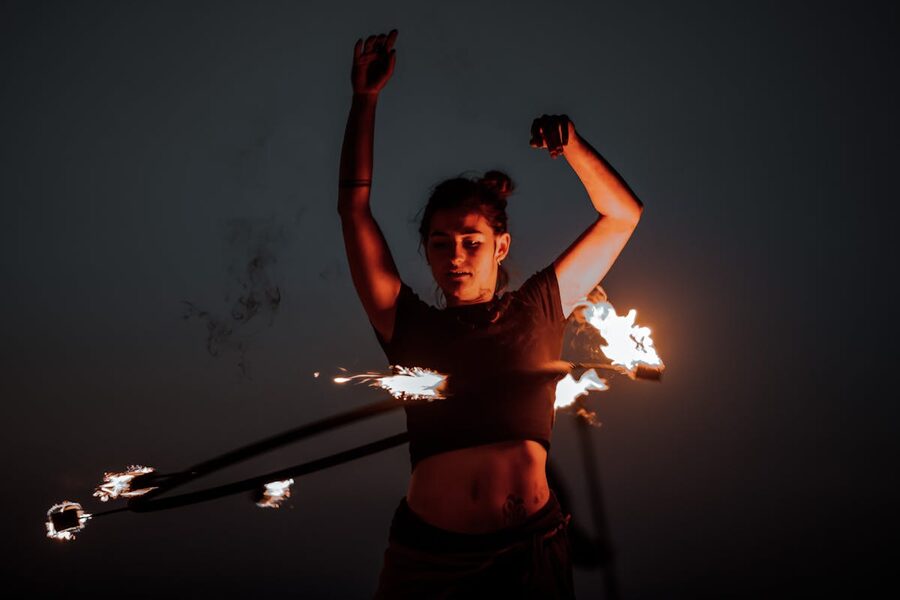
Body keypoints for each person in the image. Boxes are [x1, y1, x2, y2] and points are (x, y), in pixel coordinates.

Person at [337, 30, 643, 599]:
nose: (455, 256)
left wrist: (571, 145)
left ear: (500, 246)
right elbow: (353, 209)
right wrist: (365, 99)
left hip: (533, 553)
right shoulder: (407, 325)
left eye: (471, 241)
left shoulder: (539, 308)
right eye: (439, 242)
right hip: (432, 565)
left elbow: (622, 215)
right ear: (425, 250)